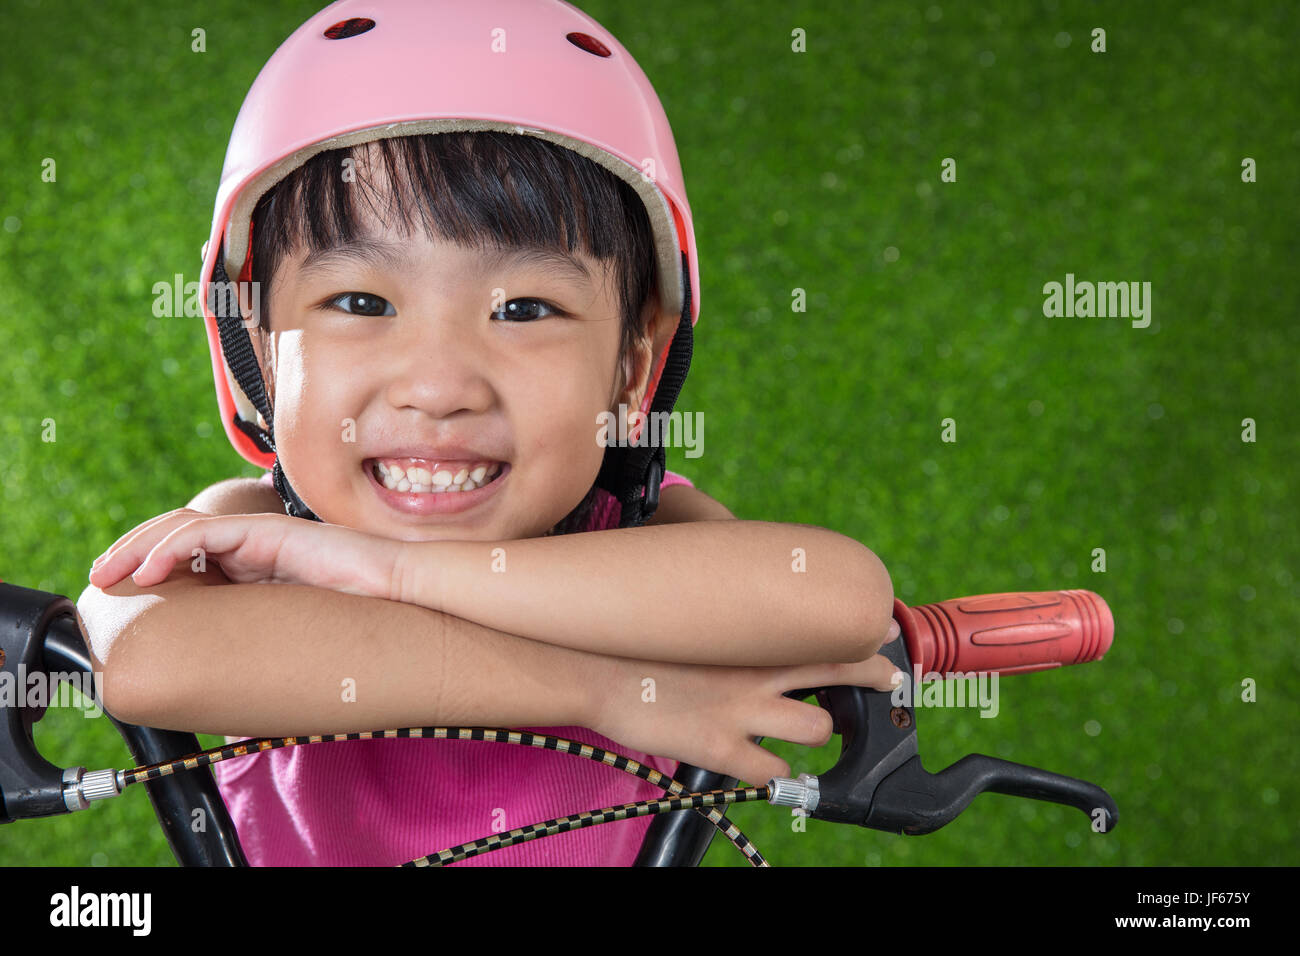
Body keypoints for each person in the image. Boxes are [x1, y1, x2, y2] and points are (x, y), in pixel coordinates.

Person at [79, 0, 901, 866]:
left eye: (525, 308)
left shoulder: (649, 543)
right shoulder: (251, 535)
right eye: (360, 303)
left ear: (631, 370)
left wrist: (393, 571)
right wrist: (602, 690)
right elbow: (141, 654)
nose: (438, 387)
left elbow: (840, 599)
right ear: (260, 354)